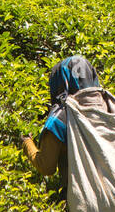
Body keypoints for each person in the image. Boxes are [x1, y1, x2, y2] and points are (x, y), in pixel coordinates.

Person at [21, 56, 102, 198]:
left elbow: (46, 166)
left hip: (84, 200)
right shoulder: (109, 108)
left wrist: (27, 143)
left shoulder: (60, 118)